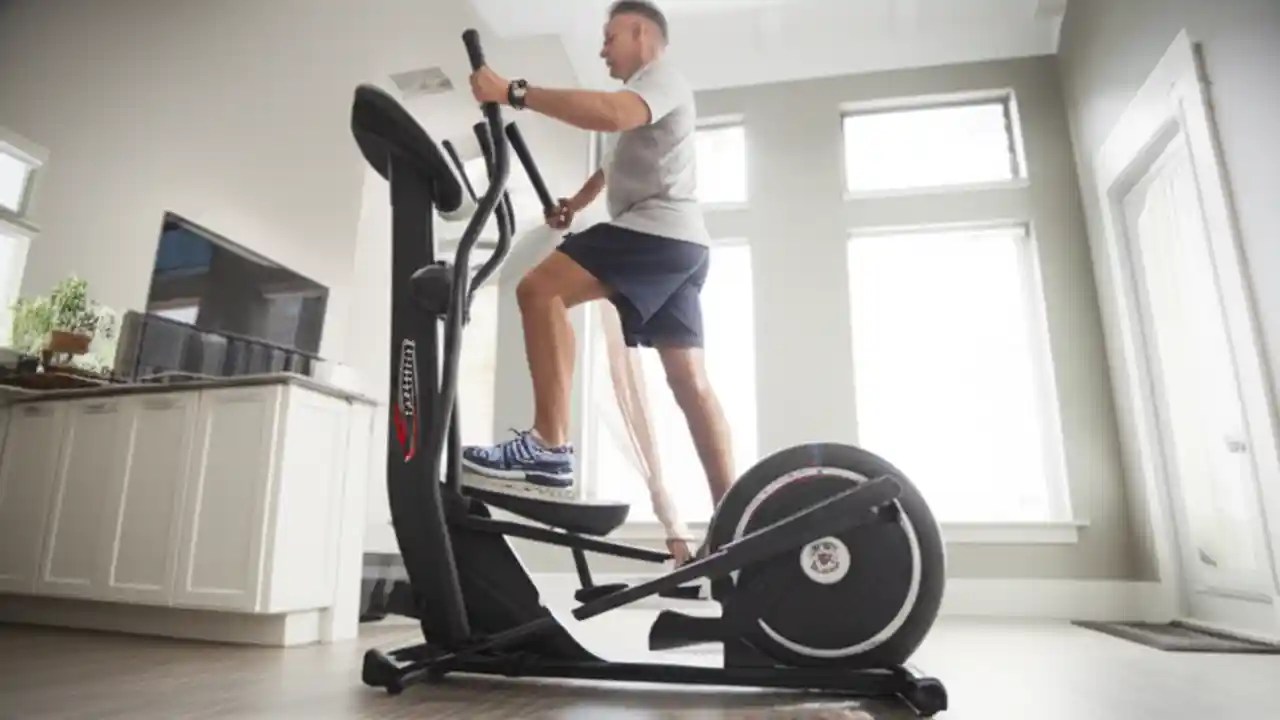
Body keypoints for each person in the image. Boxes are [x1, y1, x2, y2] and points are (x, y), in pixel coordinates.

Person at [463, 0, 733, 563]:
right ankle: (736, 514)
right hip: (684, 246)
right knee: (689, 384)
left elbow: (609, 116)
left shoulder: (660, 80)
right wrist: (575, 205)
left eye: (610, 37)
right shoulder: (649, 100)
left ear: (640, 32)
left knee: (539, 290)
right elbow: (615, 161)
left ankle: (548, 447)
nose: (602, 48)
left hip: (654, 233)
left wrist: (512, 91)